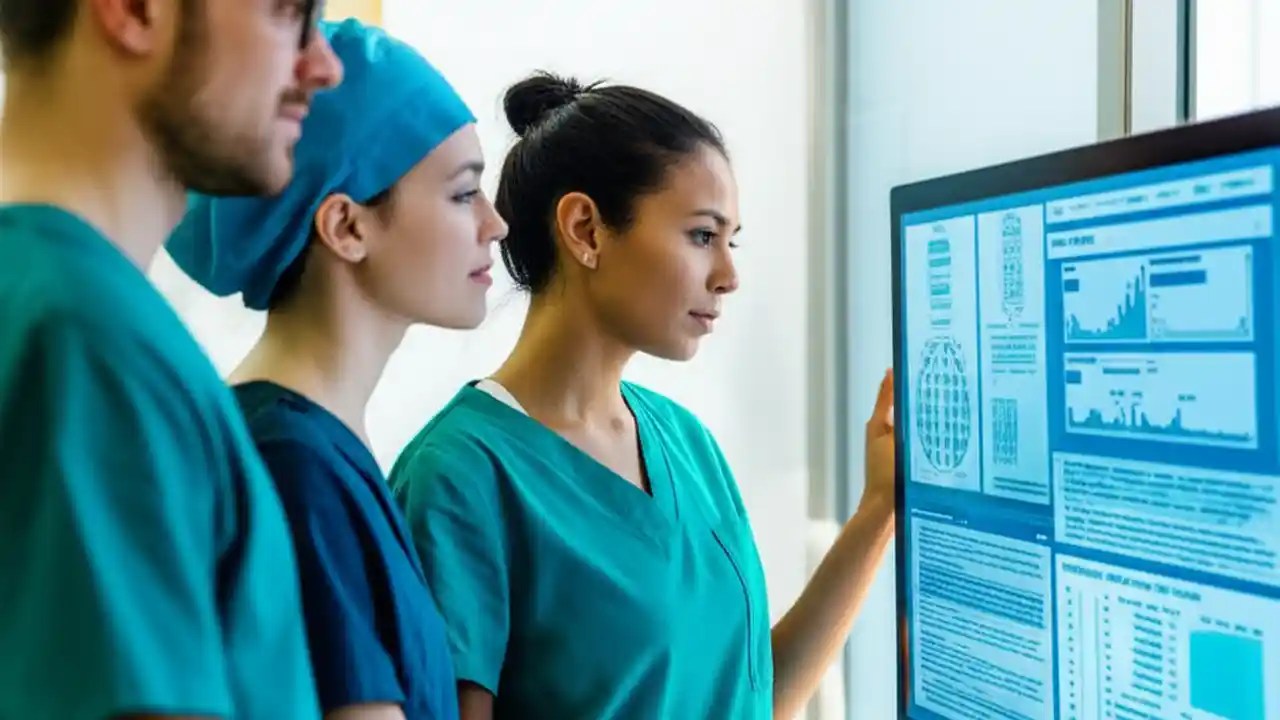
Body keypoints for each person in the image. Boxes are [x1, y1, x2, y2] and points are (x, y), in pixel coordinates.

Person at [388, 72, 897, 720]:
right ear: (586, 230)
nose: (729, 276)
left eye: (730, 241)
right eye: (701, 236)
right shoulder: (459, 477)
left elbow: (754, 699)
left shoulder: (688, 445)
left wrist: (878, 511)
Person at [0, 0, 342, 717]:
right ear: (134, 11)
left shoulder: (56, 303)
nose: (324, 66)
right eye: (288, 15)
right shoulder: (88, 339)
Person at [166, 19, 507, 720]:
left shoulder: (312, 449)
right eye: (462, 193)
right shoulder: (294, 469)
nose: (494, 224)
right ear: (347, 227)